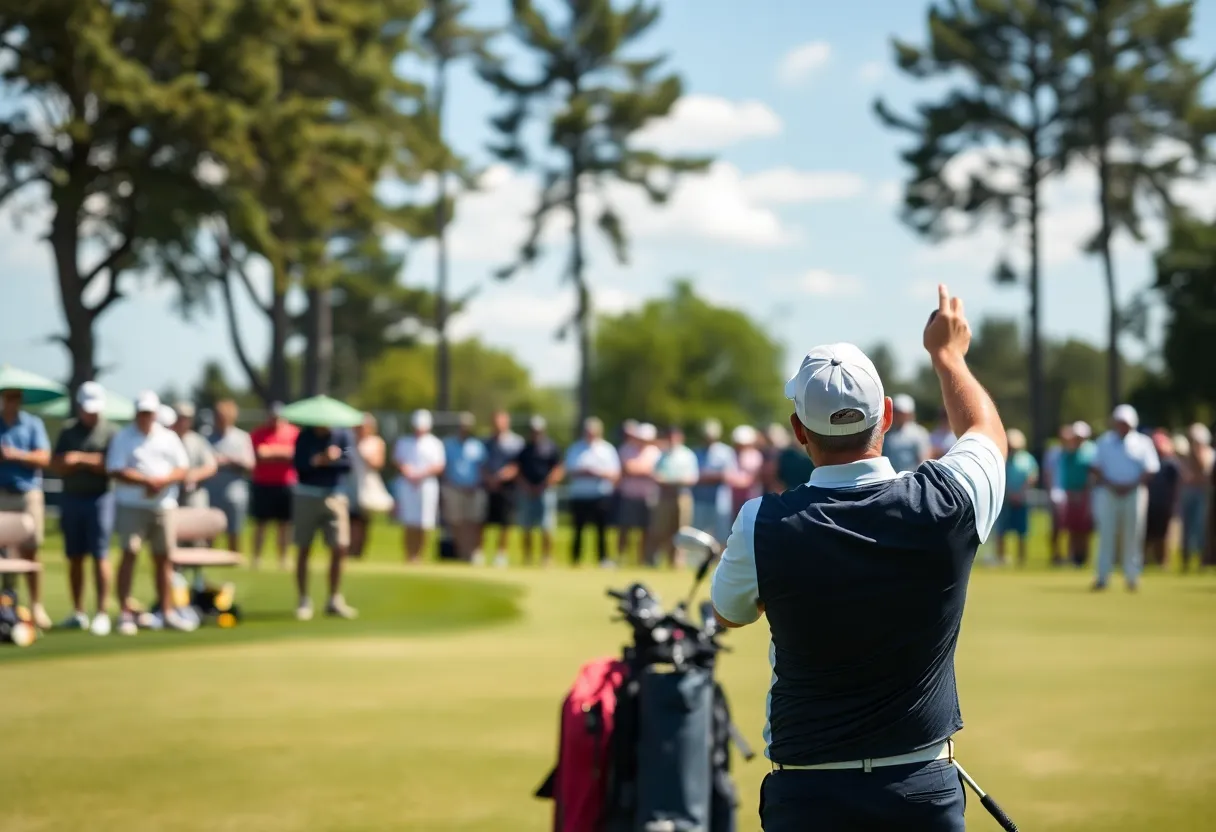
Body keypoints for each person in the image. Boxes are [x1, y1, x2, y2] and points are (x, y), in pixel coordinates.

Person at [710, 285, 1007, 832]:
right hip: (920, 791)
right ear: (887, 415)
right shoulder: (946, 501)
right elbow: (985, 433)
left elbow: (728, 612)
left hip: (807, 795)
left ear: (800, 431)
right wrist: (948, 357)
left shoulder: (762, 522)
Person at [106, 391, 196, 635]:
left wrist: (161, 481)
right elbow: (115, 468)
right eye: (142, 412)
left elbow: (182, 468)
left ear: (156, 413)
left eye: (149, 413)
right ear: (136, 413)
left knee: (164, 559)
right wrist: (145, 482)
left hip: (163, 506)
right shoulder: (124, 437)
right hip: (131, 506)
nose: (146, 417)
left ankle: (167, 612)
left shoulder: (168, 437)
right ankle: (125, 613)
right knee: (129, 553)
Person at [51, 382, 118, 635]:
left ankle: (101, 612)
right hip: (72, 498)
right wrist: (67, 463)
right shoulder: (68, 431)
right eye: (87, 410)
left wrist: (80, 459)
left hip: (100, 498)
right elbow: (56, 463)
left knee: (100, 555)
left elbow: (113, 465)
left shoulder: (111, 431)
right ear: (79, 407)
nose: (91, 414)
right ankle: (78, 612)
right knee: (75, 556)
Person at [1090, 405, 1160, 592]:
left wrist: (1131, 485)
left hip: (1135, 493)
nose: (1122, 426)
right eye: (1119, 422)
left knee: (1133, 534)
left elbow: (1151, 468)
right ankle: (1103, 576)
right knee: (1106, 534)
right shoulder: (1104, 441)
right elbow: (1096, 467)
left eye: (1126, 423)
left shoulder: (1143, 442)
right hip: (1108, 492)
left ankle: (1132, 576)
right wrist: (1112, 484)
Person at [292, 423, 357, 620]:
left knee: (340, 547)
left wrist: (333, 458)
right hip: (307, 495)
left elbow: (349, 460)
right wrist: (319, 460)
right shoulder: (305, 436)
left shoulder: (343, 436)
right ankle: (303, 599)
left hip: (335, 496)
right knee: (304, 548)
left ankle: (334, 599)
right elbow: (299, 464)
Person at [0, 384, 52, 630]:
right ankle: (6, 605)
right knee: (2, 554)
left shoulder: (33, 424)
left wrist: (15, 455)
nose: (13, 401)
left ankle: (36, 605)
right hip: (1, 493)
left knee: (30, 550)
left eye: (16, 397)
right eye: (9, 397)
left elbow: (44, 458)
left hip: (26, 493)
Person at [564, 417, 620, 567]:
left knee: (601, 530)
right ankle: (575, 559)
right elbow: (569, 470)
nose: (590, 434)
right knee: (578, 529)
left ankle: (603, 559)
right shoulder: (575, 448)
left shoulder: (607, 449)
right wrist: (584, 472)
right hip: (580, 495)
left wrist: (598, 473)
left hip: (600, 495)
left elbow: (615, 473)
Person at [249, 404, 299, 570]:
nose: (275, 420)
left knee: (284, 525)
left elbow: (295, 455)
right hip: (263, 483)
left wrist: (272, 452)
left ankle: (283, 559)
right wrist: (282, 453)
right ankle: (256, 558)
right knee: (260, 524)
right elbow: (259, 454)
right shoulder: (258, 433)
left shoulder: (294, 433)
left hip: (286, 483)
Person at [393, 409, 446, 562]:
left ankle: (419, 556)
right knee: (409, 521)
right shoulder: (404, 442)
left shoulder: (435, 443)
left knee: (424, 521)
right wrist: (408, 472)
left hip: (426, 484)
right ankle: (409, 555)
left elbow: (439, 465)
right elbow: (398, 460)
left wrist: (421, 474)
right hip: (407, 484)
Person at [205, 399, 255, 554]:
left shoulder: (242, 437)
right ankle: (207, 556)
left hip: (235, 489)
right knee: (208, 526)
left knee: (235, 528)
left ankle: (234, 556)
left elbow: (250, 464)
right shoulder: (206, 437)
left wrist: (229, 460)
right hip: (212, 489)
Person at [513, 415, 563, 567]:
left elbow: (558, 469)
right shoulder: (524, 449)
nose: (536, 433)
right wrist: (527, 486)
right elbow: (517, 470)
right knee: (526, 526)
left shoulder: (551, 447)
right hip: (527, 491)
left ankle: (546, 558)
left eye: (538, 430)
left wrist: (545, 484)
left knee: (546, 526)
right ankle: (527, 557)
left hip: (546, 491)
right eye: (533, 430)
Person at [650, 425, 699, 568]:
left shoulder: (687, 455)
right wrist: (674, 481)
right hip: (665, 497)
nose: (672, 440)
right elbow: (657, 477)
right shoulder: (662, 455)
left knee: (681, 530)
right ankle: (661, 560)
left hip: (681, 496)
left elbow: (691, 478)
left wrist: (671, 481)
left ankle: (678, 562)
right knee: (662, 529)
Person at [442, 412, 487, 563]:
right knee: (457, 522)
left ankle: (472, 552)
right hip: (454, 488)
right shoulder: (449, 444)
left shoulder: (477, 445)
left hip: (473, 489)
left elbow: (482, 468)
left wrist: (475, 485)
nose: (464, 429)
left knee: (473, 522)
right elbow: (445, 467)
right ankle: (462, 552)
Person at [482, 410, 524, 568]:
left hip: (507, 487)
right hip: (488, 486)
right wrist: (490, 479)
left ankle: (501, 553)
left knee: (505, 521)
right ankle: (480, 552)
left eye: (502, 421)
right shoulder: (486, 442)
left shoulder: (516, 441)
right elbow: (482, 463)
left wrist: (501, 477)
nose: (498, 425)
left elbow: (517, 465)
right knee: (483, 520)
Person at [346, 413, 390, 559]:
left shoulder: (375, 442)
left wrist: (361, 450)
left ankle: (358, 550)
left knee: (362, 520)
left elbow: (378, 463)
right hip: (350, 483)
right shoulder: (348, 442)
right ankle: (349, 548)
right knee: (350, 519)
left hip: (367, 484)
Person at [616, 421, 660, 565]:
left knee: (645, 530)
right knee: (625, 528)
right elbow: (628, 469)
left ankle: (641, 560)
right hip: (629, 495)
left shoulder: (655, 452)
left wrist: (639, 471)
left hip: (648, 497)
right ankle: (621, 558)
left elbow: (656, 473)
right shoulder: (626, 450)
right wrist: (646, 472)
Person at [993, 428, 1038, 566]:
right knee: (1001, 531)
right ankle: (1001, 558)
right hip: (1004, 500)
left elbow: (1032, 476)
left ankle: (1021, 559)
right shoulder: (1000, 457)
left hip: (1021, 500)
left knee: (1021, 531)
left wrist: (1020, 493)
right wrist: (1008, 492)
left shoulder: (1027, 459)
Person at [692, 419, 738, 545]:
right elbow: (693, 476)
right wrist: (713, 476)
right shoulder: (696, 452)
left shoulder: (726, 452)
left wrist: (705, 476)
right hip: (699, 499)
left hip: (720, 500)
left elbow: (727, 476)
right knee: (699, 533)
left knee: (721, 534)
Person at [1059, 421, 1097, 567]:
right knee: (1072, 527)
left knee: (1085, 527)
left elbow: (1093, 474)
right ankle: (1074, 557)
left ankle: (1085, 557)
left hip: (1087, 493)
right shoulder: (1068, 451)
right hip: (1070, 492)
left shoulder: (1092, 450)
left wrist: (1085, 490)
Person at [172, 402, 218, 522]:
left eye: (186, 419)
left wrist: (194, 475)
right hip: (171, 494)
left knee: (197, 534)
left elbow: (211, 466)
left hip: (194, 494)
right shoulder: (166, 439)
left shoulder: (198, 441)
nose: (183, 422)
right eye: (180, 418)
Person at [1178, 423, 1214, 572]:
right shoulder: (1185, 455)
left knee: (1200, 528)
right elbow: (1185, 477)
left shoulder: (1210, 453)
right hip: (1188, 494)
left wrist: (1197, 454)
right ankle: (1185, 562)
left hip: (1203, 495)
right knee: (1186, 529)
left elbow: (1204, 474)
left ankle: (1201, 561)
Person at [1144, 430, 1182, 569]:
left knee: (1163, 536)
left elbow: (1177, 485)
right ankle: (1146, 561)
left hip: (1165, 505)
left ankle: (1163, 562)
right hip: (1148, 504)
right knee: (1146, 536)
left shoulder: (1171, 463)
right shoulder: (1147, 461)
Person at [1043, 424, 1071, 565]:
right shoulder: (1053, 452)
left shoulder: (1072, 452)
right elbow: (1047, 473)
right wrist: (1050, 491)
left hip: (1070, 491)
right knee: (1056, 526)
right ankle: (1056, 554)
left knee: (1070, 526)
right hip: (1056, 492)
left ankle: (1068, 555)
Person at [882, 393, 931, 473]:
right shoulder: (886, 433)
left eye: (900, 412)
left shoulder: (919, 433)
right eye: (895, 411)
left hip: (912, 480)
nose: (897, 415)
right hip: (891, 479)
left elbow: (923, 460)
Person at [727, 424, 764, 519]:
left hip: (751, 498)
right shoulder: (731, 455)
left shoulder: (755, 456)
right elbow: (727, 476)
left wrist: (735, 481)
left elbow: (750, 480)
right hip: (733, 500)